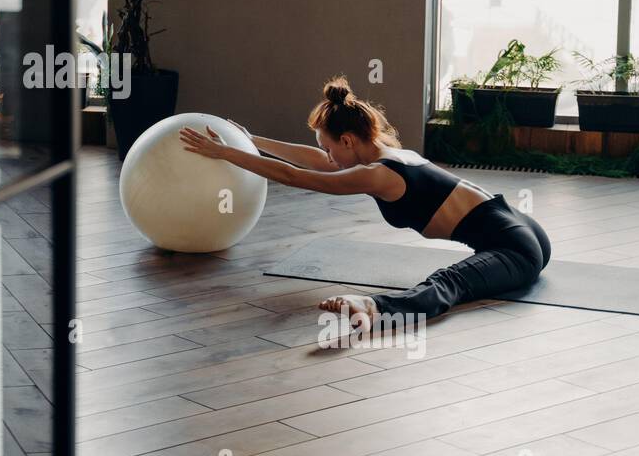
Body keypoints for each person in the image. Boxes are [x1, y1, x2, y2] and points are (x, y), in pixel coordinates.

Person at [177, 75, 551, 327]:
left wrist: (225, 154)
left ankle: (373, 307)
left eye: (328, 146)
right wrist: (250, 139)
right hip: (522, 228)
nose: (326, 155)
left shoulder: (377, 174)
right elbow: (314, 161)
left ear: (348, 141)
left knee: (448, 282)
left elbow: (296, 176)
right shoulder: (388, 153)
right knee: (457, 276)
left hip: (515, 249)